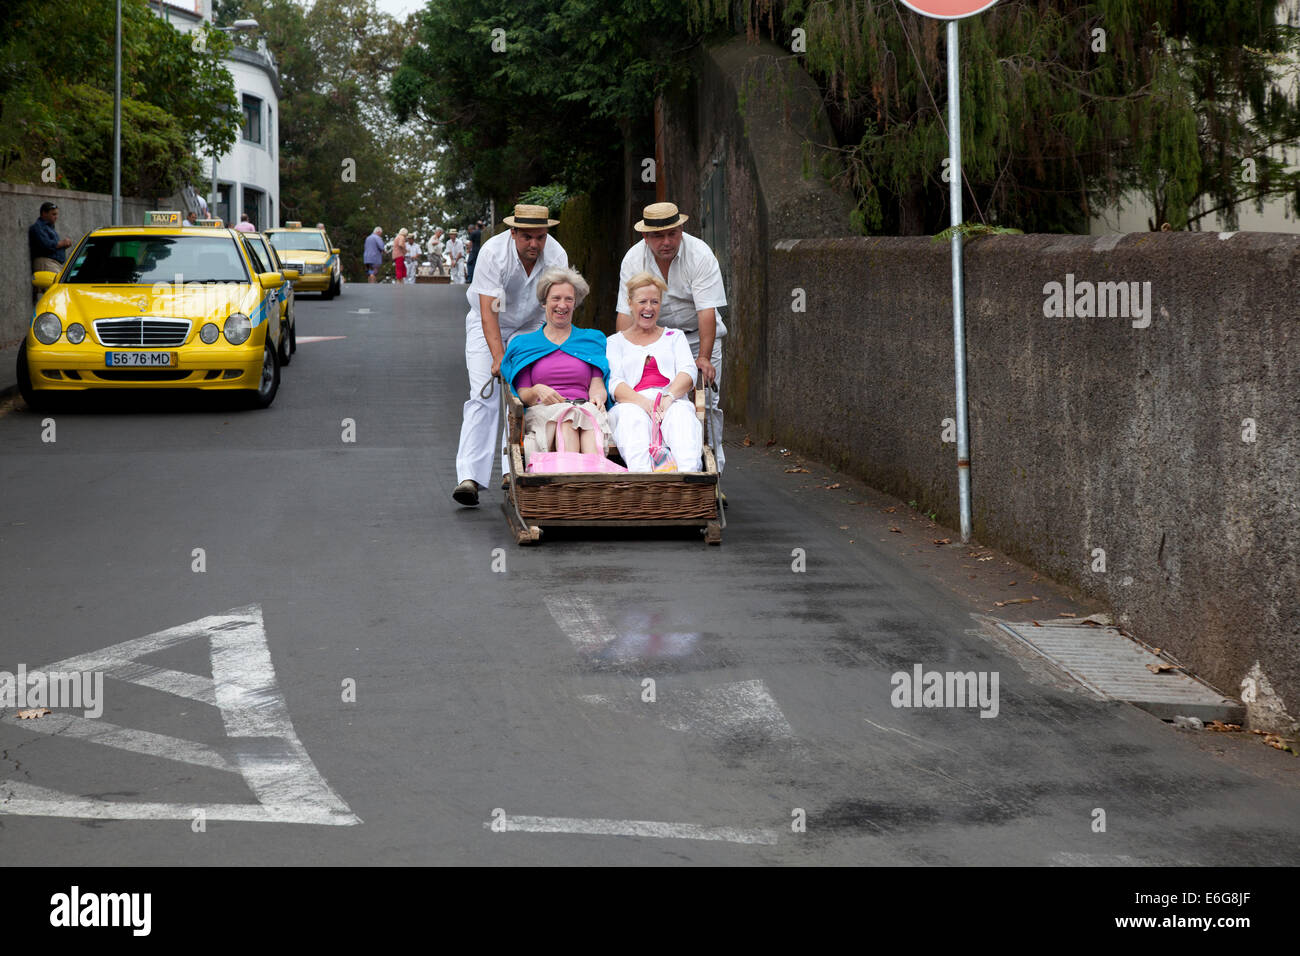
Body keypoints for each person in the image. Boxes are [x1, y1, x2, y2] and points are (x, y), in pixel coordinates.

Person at [452, 203, 568, 506]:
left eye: (540, 237)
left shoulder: (556, 255)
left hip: (531, 326)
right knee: (483, 395)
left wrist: (553, 345)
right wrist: (499, 358)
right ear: (513, 232)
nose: (534, 244)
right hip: (486, 322)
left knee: (524, 395)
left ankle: (513, 470)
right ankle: (470, 477)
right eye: (527, 237)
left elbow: (557, 303)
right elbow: (489, 311)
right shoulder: (493, 253)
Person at [615, 201, 727, 471]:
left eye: (672, 234)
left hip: (700, 334)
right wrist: (622, 352)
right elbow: (625, 311)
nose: (666, 241)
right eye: (658, 236)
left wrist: (703, 356)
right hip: (656, 337)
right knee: (642, 402)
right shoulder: (633, 258)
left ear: (680, 230)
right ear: (645, 236)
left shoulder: (699, 254)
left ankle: (711, 476)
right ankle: (654, 469)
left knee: (706, 406)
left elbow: (706, 311)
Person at [499, 267, 610, 463]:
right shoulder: (524, 344)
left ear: (575, 303)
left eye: (569, 299)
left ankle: (586, 483)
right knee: (568, 422)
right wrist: (537, 390)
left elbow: (597, 383)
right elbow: (523, 394)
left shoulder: (591, 340)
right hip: (544, 412)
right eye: (556, 298)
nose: (562, 305)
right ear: (544, 302)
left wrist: (598, 397)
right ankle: (577, 484)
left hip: (582, 408)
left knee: (583, 420)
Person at [606, 271, 703, 472]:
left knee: (681, 417)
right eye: (642, 301)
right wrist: (645, 404)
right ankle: (644, 485)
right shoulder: (614, 342)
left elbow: (688, 371)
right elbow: (614, 382)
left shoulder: (674, 337)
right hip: (632, 402)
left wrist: (667, 399)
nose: (648, 308)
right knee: (631, 419)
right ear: (630, 303)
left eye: (655, 302)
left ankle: (687, 483)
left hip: (671, 398)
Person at [29, 201, 71, 274]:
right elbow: (46, 245)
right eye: (53, 214)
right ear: (44, 213)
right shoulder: (38, 227)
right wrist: (62, 243)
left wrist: (64, 246)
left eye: (57, 214)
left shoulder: (49, 228)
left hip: (54, 264)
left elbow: (54, 247)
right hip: (46, 263)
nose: (56, 217)